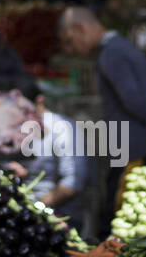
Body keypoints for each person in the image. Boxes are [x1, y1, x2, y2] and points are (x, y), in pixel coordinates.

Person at [58, 7, 146, 228]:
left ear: (80, 28)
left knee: (119, 217)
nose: (71, 49)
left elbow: (131, 96)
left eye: (70, 40)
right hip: (131, 146)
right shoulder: (122, 47)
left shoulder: (112, 53)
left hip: (132, 149)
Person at [12, 83, 91, 237]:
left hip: (60, 216)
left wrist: (34, 208)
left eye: (24, 111)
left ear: (39, 101)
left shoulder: (63, 129)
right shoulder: (14, 128)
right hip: (24, 215)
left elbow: (72, 184)